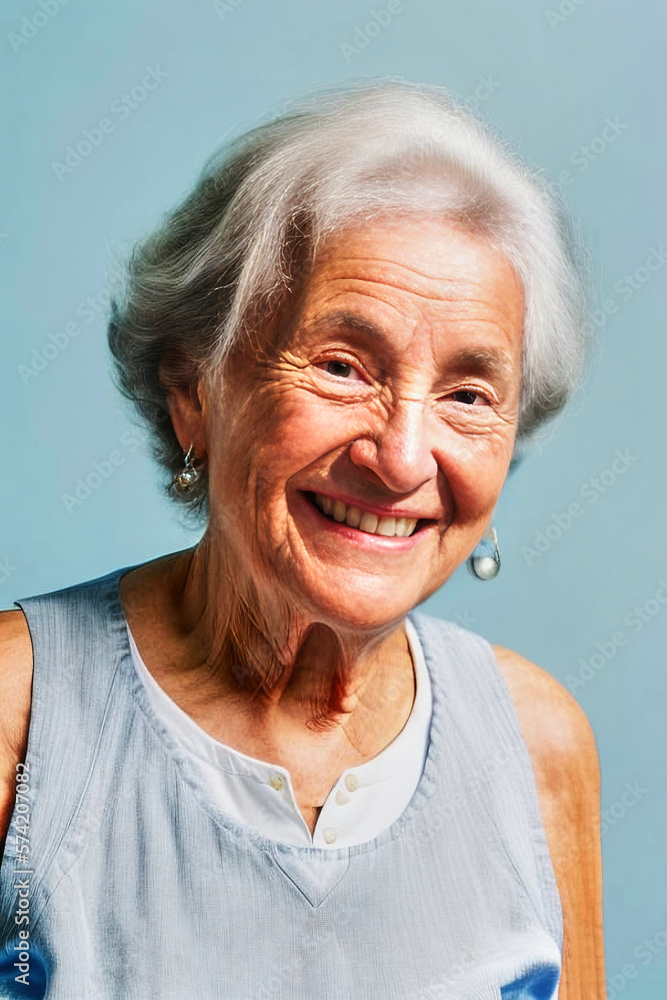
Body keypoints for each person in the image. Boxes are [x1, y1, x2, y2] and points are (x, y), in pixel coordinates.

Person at [0, 80, 605, 998]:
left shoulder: (535, 741)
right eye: (342, 366)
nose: (401, 458)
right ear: (193, 391)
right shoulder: (20, 716)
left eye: (467, 394)